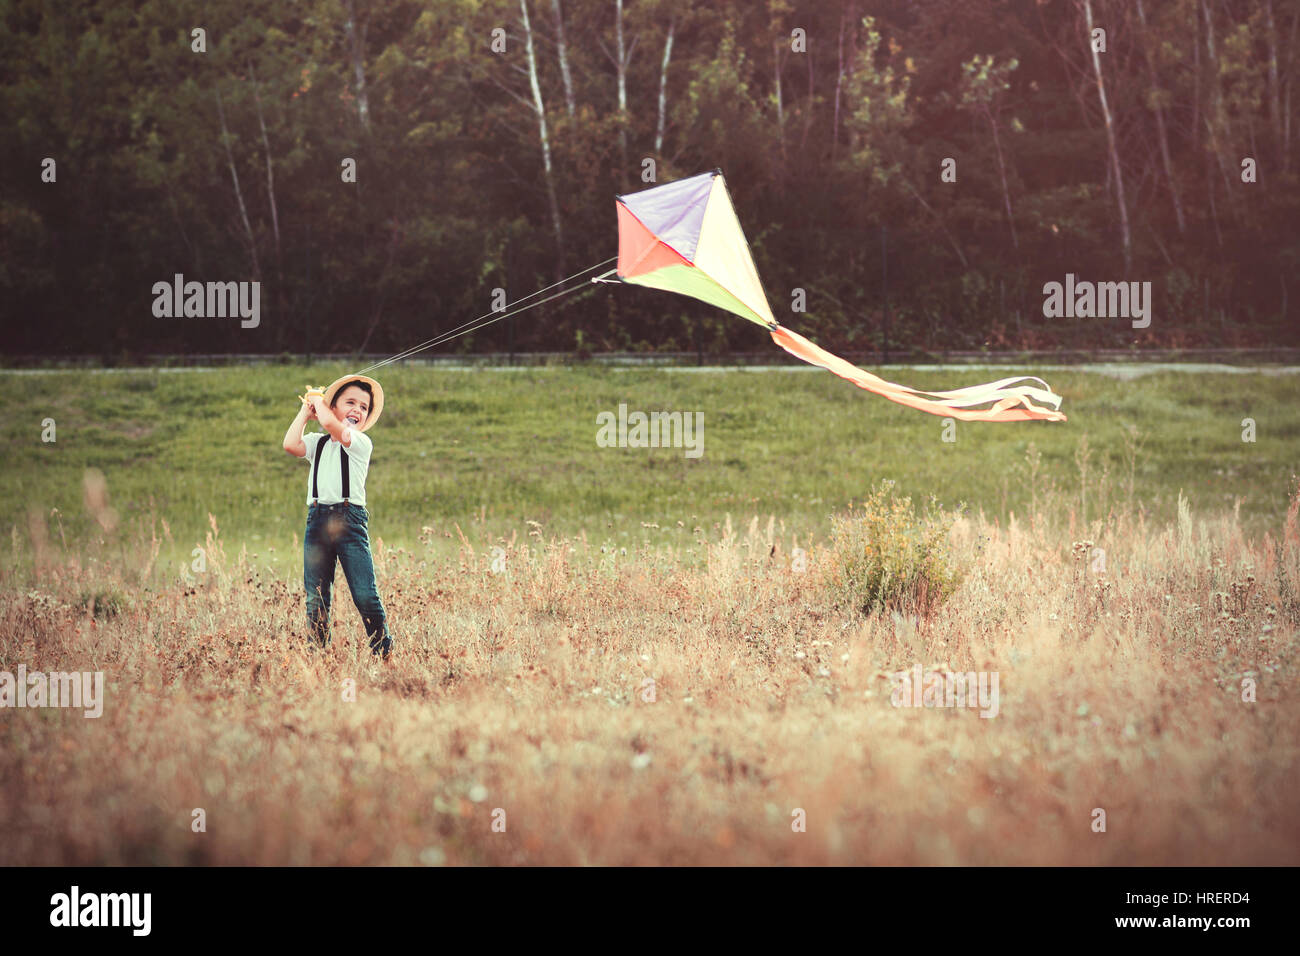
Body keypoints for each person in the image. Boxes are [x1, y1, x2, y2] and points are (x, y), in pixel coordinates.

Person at [281, 374, 394, 659]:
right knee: (316, 596)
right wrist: (305, 412)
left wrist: (320, 405)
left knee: (365, 594)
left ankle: (382, 651)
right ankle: (318, 655)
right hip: (317, 519)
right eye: (350, 403)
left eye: (364, 407)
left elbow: (333, 425)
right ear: (333, 407)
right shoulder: (318, 443)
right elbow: (290, 444)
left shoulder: (359, 442)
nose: (357, 409)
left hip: (350, 520)